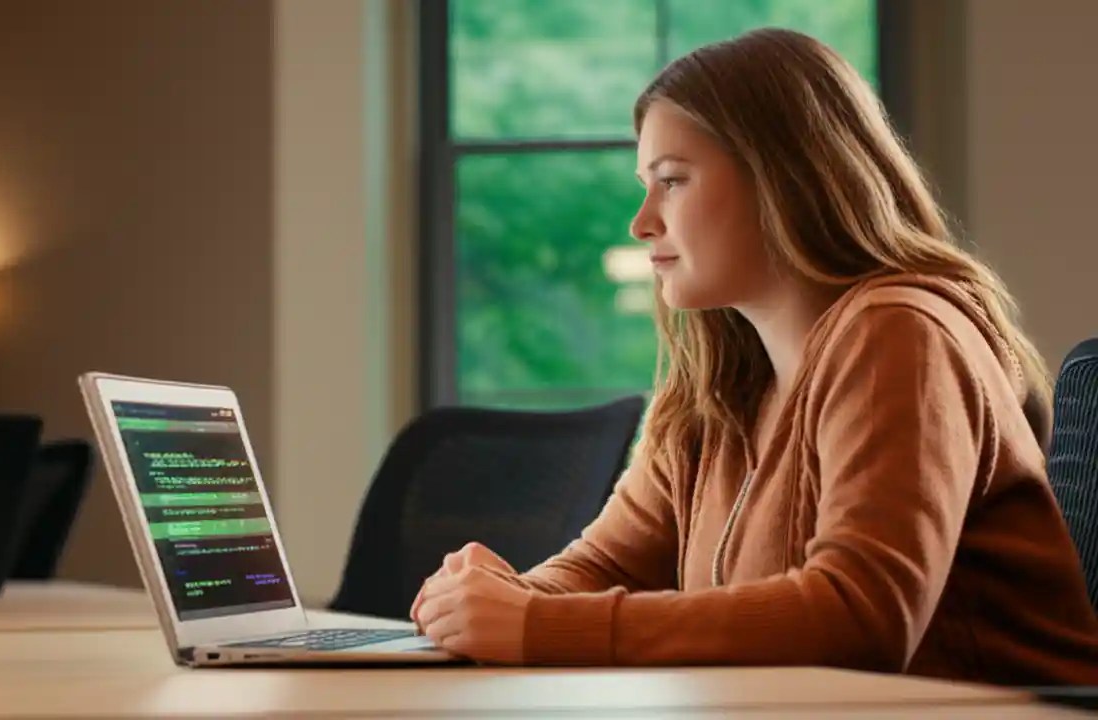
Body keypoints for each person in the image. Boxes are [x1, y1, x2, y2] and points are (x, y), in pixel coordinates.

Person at [410, 27, 1098, 685]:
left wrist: (535, 623)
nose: (642, 221)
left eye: (673, 180)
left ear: (783, 178)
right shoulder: (719, 390)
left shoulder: (902, 333)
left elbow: (860, 616)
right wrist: (483, 605)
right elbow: (602, 566)